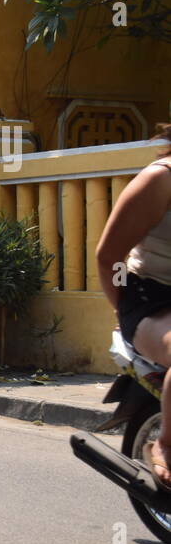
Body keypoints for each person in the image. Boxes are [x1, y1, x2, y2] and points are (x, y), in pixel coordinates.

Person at [97, 122, 171, 483]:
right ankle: (166, 446)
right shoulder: (160, 180)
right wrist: (121, 310)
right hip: (153, 302)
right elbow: (109, 256)